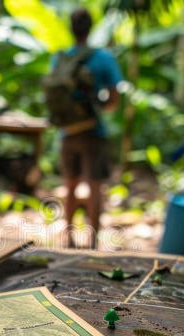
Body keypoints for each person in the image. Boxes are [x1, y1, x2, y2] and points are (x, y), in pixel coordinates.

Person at [58, 8, 123, 249]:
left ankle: (69, 238)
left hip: (67, 132)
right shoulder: (103, 58)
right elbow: (114, 98)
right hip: (93, 133)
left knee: (70, 185)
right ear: (91, 27)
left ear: (71, 28)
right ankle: (92, 241)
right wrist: (100, 105)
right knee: (95, 185)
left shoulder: (62, 58)